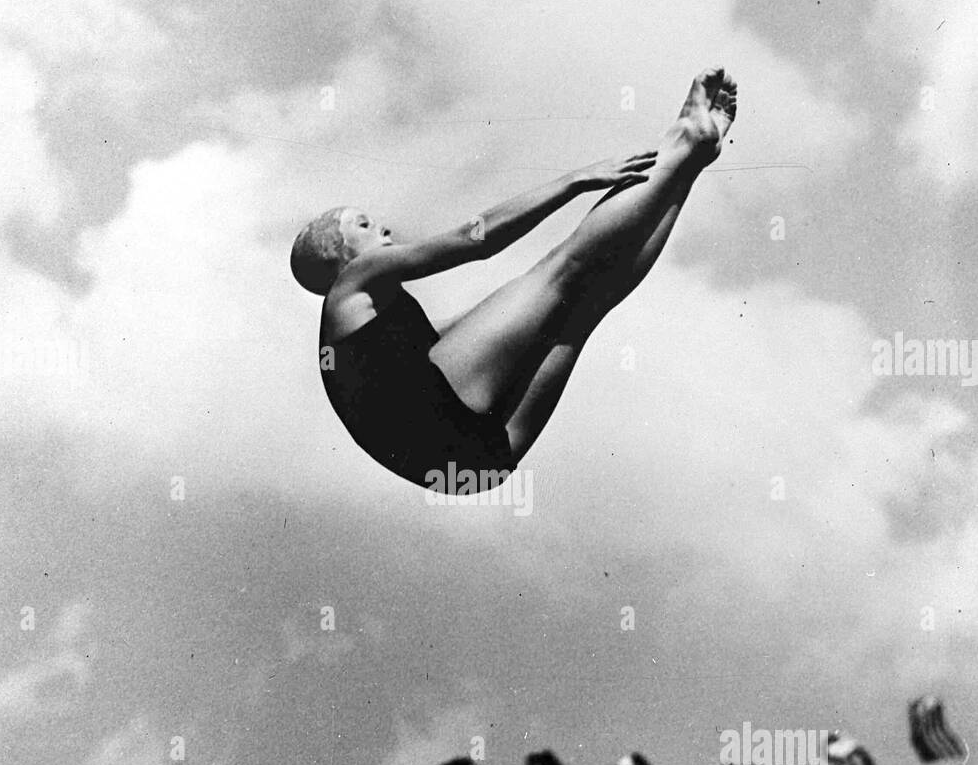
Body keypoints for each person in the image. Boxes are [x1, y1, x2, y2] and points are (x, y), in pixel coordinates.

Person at [291, 69, 737, 491]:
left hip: (480, 461)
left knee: (583, 304)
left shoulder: (359, 335)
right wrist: (574, 181)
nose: (384, 229)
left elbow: (436, 348)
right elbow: (475, 239)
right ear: (338, 256)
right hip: (439, 419)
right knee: (562, 271)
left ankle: (691, 160)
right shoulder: (352, 280)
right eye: (365, 225)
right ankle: (683, 141)